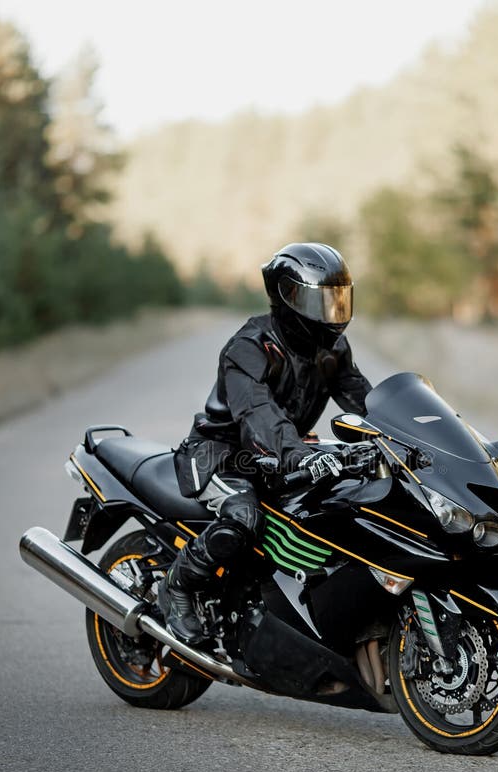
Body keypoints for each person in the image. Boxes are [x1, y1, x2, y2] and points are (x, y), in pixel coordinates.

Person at [158, 242, 372, 644]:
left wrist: (417, 440)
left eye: (337, 300)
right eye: (320, 301)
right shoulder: (250, 347)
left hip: (283, 455)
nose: (331, 312)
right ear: (287, 296)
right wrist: (297, 455)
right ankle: (178, 586)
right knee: (243, 517)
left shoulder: (333, 349)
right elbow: (257, 414)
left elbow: (365, 400)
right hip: (223, 454)